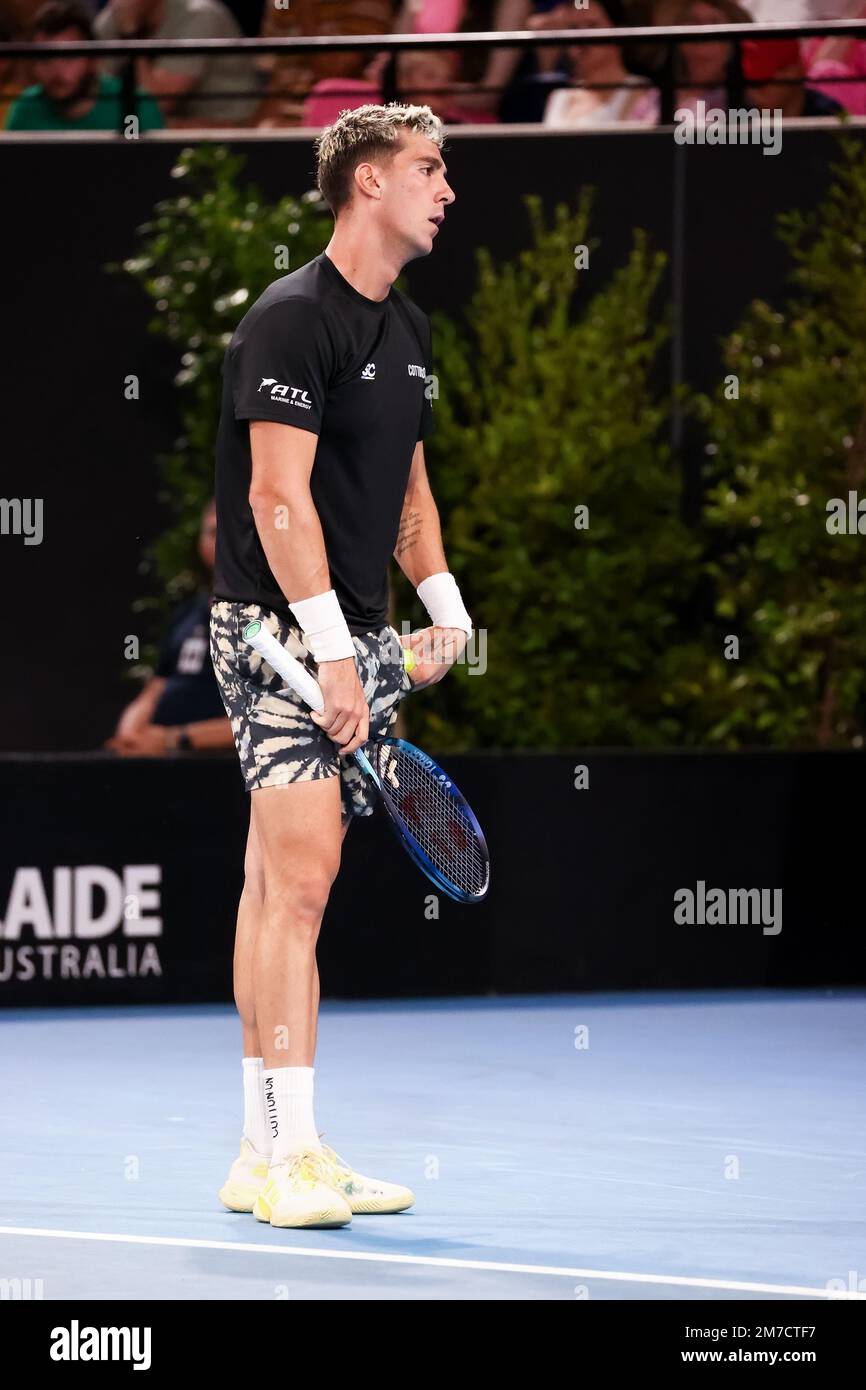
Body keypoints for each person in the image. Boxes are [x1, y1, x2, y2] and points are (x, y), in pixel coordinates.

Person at [210, 102, 469, 1228]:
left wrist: (443, 606)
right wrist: (330, 654)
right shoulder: (288, 321)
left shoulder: (405, 329)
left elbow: (405, 492)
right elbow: (276, 499)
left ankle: (267, 1148)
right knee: (301, 881)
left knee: (279, 884)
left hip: (349, 635)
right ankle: (292, 1153)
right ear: (366, 183)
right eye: (427, 167)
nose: (445, 187)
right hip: (275, 633)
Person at [107, 499, 234, 756]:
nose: (219, 542)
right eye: (211, 532)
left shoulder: (264, 620)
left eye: (228, 532)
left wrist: (175, 739)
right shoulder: (186, 613)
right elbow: (156, 687)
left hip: (217, 764)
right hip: (161, 755)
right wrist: (129, 733)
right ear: (199, 542)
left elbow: (270, 715)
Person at [93, 0, 258, 127]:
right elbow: (93, 91)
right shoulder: (116, 16)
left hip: (230, 127)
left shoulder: (199, 15)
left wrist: (130, 35)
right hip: (165, 127)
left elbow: (158, 104)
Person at [4, 0, 164, 130]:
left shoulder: (135, 108)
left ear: (92, 60)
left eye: (68, 58)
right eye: (45, 58)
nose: (56, 70)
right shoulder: (24, 111)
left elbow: (141, 160)